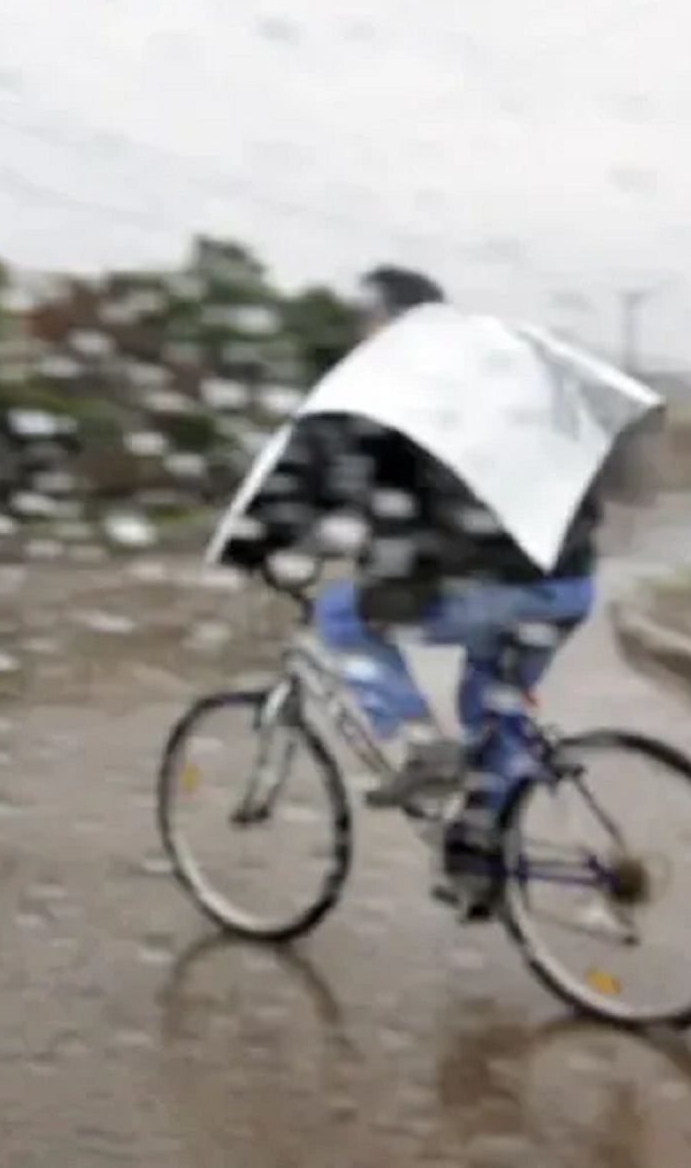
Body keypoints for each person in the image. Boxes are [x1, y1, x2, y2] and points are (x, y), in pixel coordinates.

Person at [219, 265, 605, 913]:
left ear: (387, 319)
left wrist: (250, 546)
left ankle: (420, 745)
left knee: (341, 614)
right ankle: (479, 854)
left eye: (365, 320)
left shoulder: (388, 379)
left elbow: (313, 473)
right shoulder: (505, 371)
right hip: (569, 580)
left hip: (500, 581)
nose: (359, 333)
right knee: (495, 706)